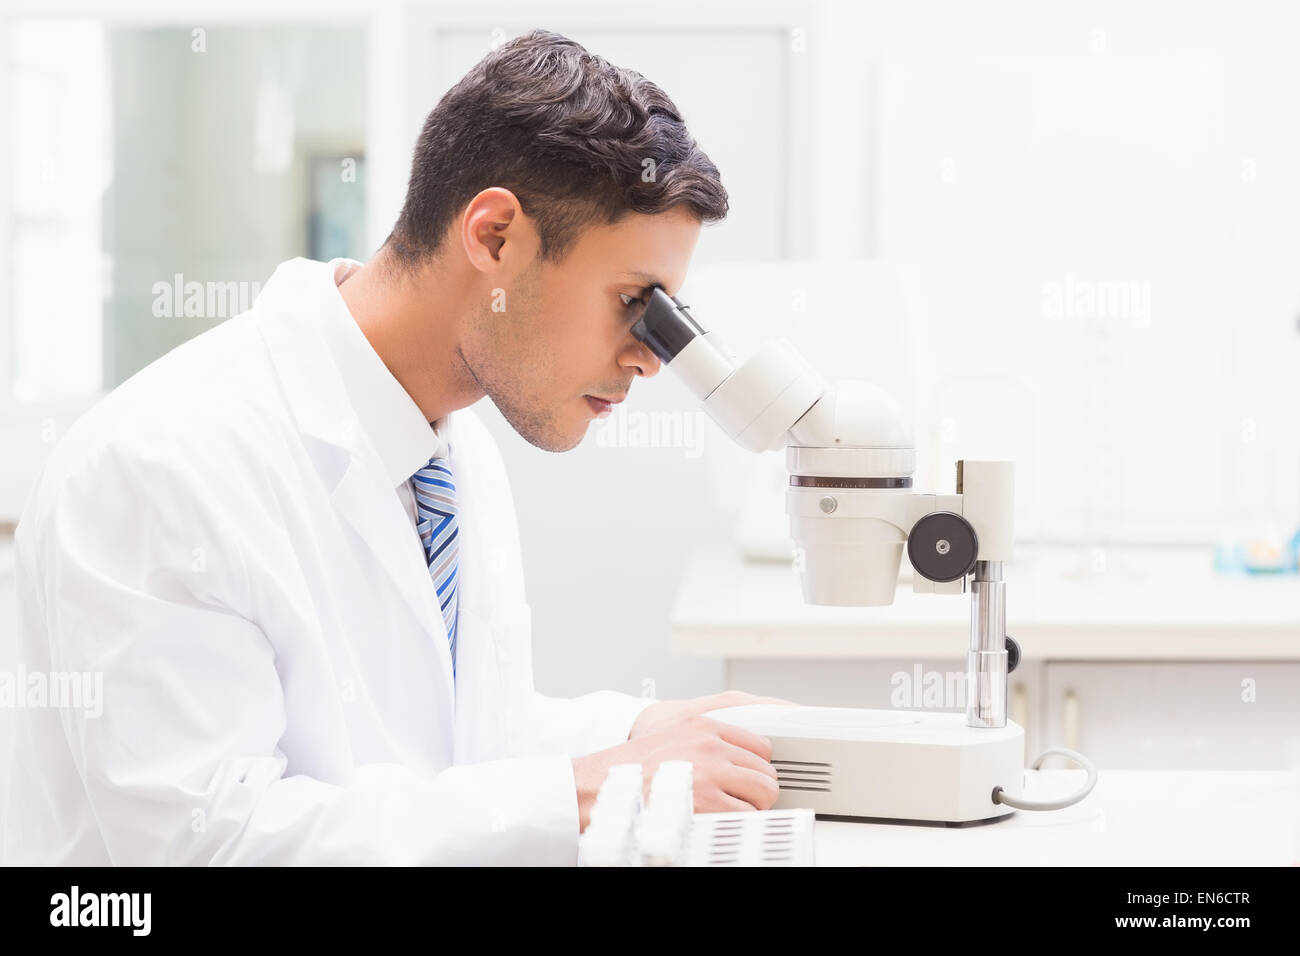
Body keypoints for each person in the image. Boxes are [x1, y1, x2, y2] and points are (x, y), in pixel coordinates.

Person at [1, 29, 787, 865]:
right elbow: (209, 844)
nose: (649, 357)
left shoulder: (452, 453)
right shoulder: (159, 463)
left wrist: (638, 731)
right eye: (634, 301)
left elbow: (457, 745)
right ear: (493, 238)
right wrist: (591, 790)